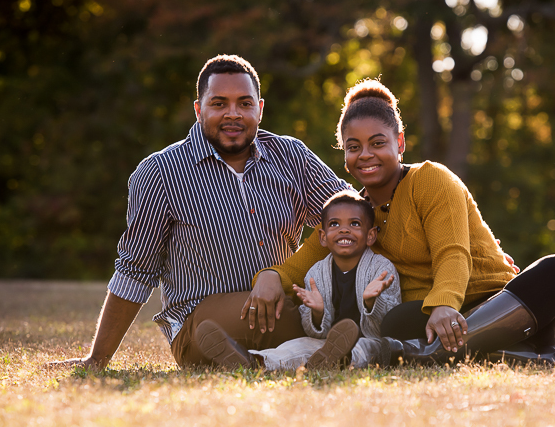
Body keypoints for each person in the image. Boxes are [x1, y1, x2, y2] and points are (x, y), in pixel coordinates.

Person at [247, 79, 555, 366]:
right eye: (354, 148)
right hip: (431, 317)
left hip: (489, 299)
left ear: (399, 142)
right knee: (396, 320)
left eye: (377, 143)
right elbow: (303, 261)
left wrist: (445, 305)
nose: (365, 156)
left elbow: (452, 254)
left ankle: (433, 354)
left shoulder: (430, 179)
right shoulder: (357, 213)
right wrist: (270, 276)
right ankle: (546, 351)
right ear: (344, 155)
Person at [48, 54, 348, 371]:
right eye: (219, 103)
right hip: (200, 325)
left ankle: (263, 363)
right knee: (319, 318)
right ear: (198, 109)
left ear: (260, 109)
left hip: (281, 306)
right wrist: (97, 359)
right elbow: (136, 269)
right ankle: (338, 345)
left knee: (328, 308)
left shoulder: (291, 156)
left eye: (244, 104)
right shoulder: (160, 173)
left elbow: (351, 217)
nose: (233, 114)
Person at [195, 190, 401, 369]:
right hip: (328, 342)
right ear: (322, 236)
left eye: (355, 224)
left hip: (370, 339)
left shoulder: (381, 270)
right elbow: (316, 333)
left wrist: (372, 301)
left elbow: (389, 324)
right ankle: (254, 361)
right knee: (297, 346)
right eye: (334, 224)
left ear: (371, 235)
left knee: (364, 348)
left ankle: (341, 359)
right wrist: (318, 314)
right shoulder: (316, 273)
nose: (344, 230)